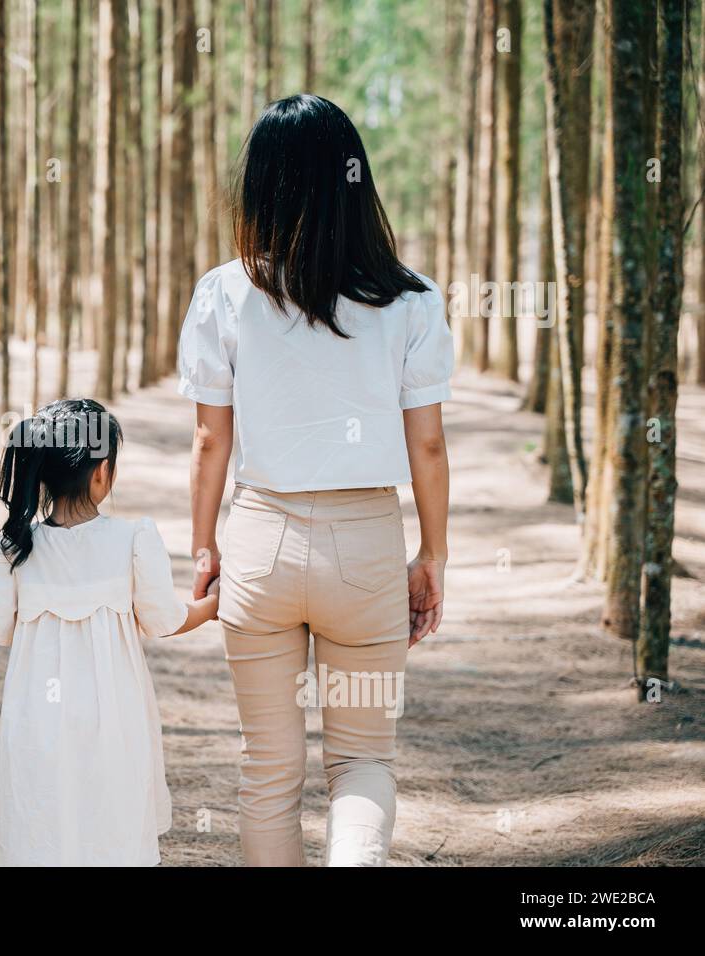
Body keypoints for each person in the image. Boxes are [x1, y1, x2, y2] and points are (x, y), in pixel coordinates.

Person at [180, 94, 453, 867]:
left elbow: (210, 440)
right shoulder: (411, 300)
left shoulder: (224, 292)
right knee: (362, 759)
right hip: (365, 548)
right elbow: (427, 446)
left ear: (261, 188)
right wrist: (432, 555)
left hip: (260, 542)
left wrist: (204, 549)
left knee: (267, 771)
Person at [0, 399, 220, 866]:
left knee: (41, 819)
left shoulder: (14, 546)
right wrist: (213, 605)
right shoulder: (134, 539)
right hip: (116, 718)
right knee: (112, 820)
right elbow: (165, 619)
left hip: (38, 719)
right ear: (102, 472)